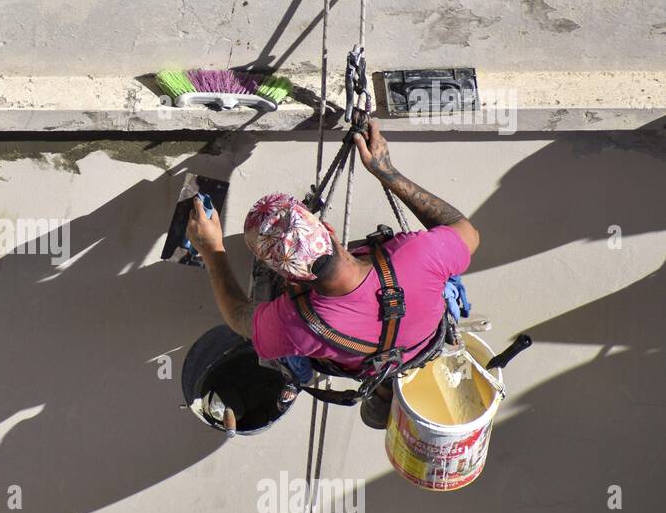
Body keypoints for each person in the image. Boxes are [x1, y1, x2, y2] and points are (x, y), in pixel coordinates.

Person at [186, 118, 480, 429]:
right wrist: (386, 171)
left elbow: (239, 318)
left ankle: (303, 383)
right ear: (327, 229)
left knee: (283, 357)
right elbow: (468, 233)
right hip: (417, 344)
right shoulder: (416, 256)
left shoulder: (297, 322)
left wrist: (211, 249)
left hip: (377, 356)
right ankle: (380, 390)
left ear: (288, 279)